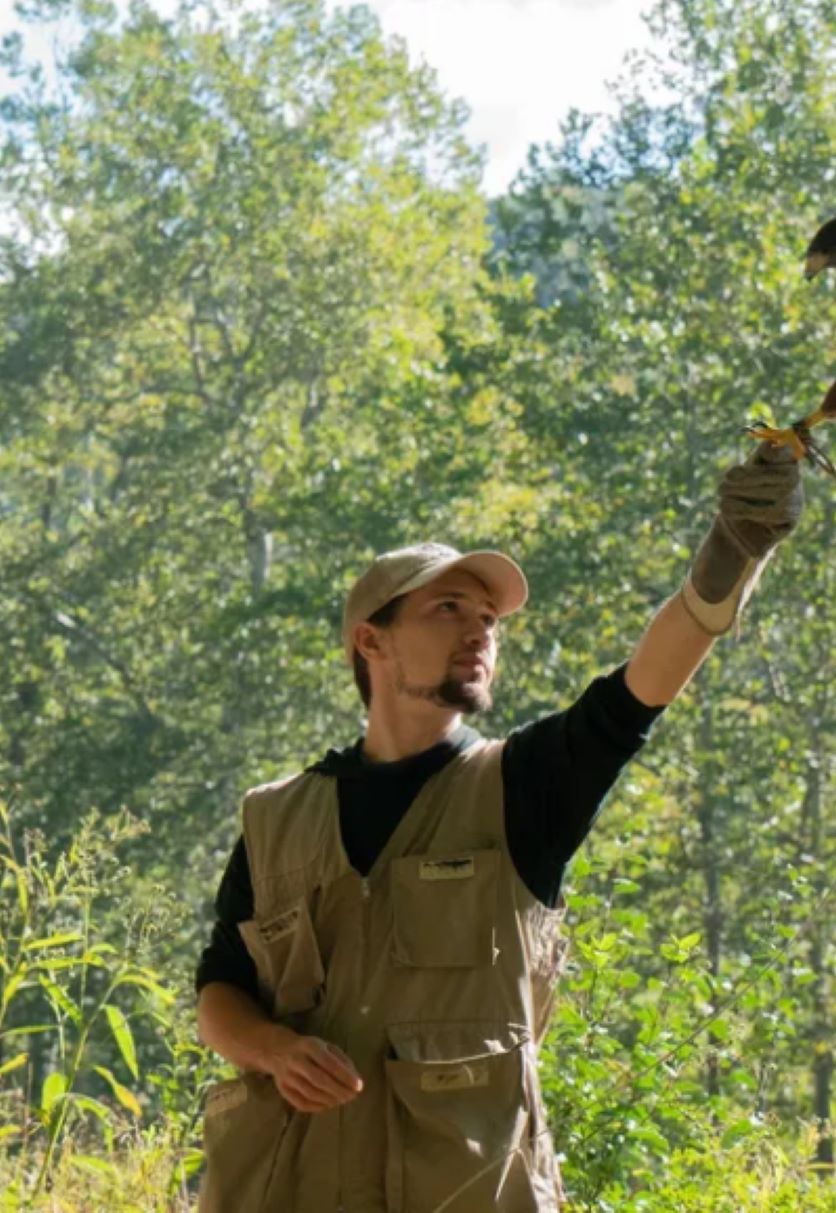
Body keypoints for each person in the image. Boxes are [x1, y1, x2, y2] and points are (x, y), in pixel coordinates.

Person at [193, 445, 803, 1212]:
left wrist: (733, 550)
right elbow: (218, 987)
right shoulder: (275, 817)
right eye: (447, 608)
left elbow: (639, 690)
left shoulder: (524, 787)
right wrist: (274, 1050)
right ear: (369, 641)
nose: (480, 631)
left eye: (488, 618)